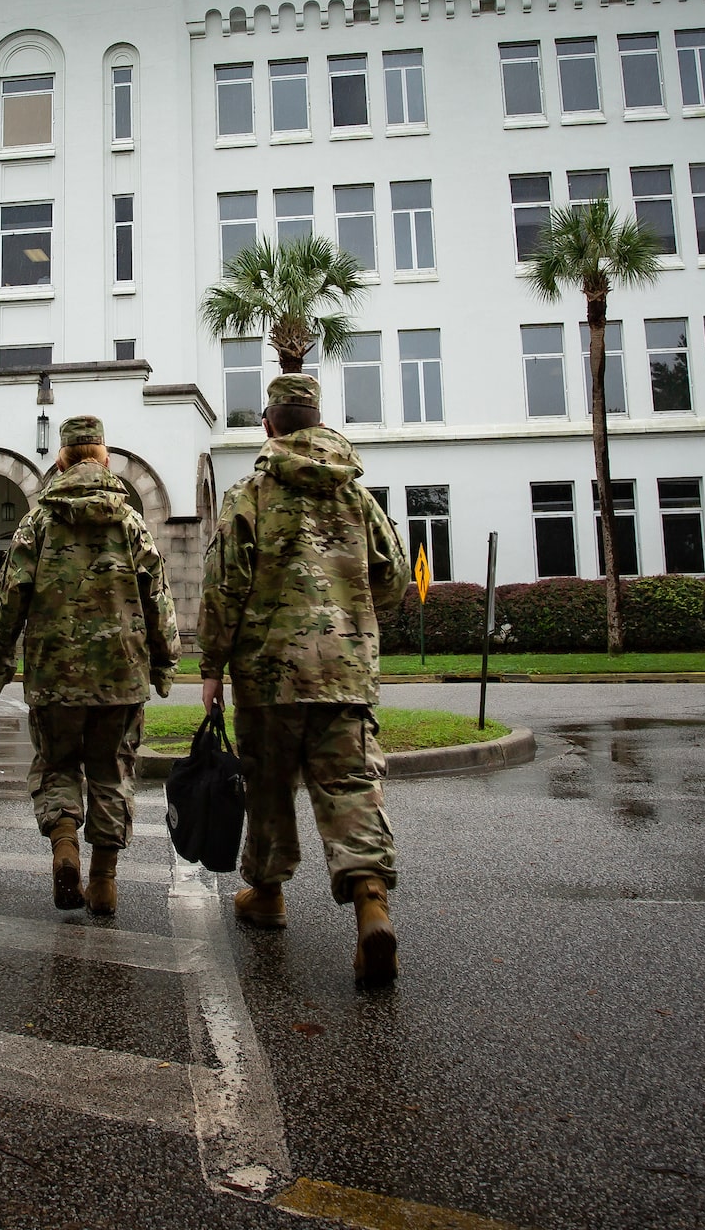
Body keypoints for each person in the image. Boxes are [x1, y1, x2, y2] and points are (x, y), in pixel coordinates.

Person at [199, 372, 410, 986]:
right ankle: (371, 900)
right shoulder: (359, 498)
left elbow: (222, 588)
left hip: (268, 676)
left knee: (268, 788)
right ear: (317, 421)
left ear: (268, 424)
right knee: (350, 784)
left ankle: (267, 896)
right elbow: (393, 580)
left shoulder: (248, 497)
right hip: (346, 673)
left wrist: (211, 666)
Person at [0, 416, 179, 916]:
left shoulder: (37, 522)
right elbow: (158, 596)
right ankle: (105, 881)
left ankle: (65, 842)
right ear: (104, 457)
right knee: (113, 771)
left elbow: (9, 597)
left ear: (62, 460)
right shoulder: (129, 521)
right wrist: (165, 662)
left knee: (57, 764)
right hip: (122, 675)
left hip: (54, 677)